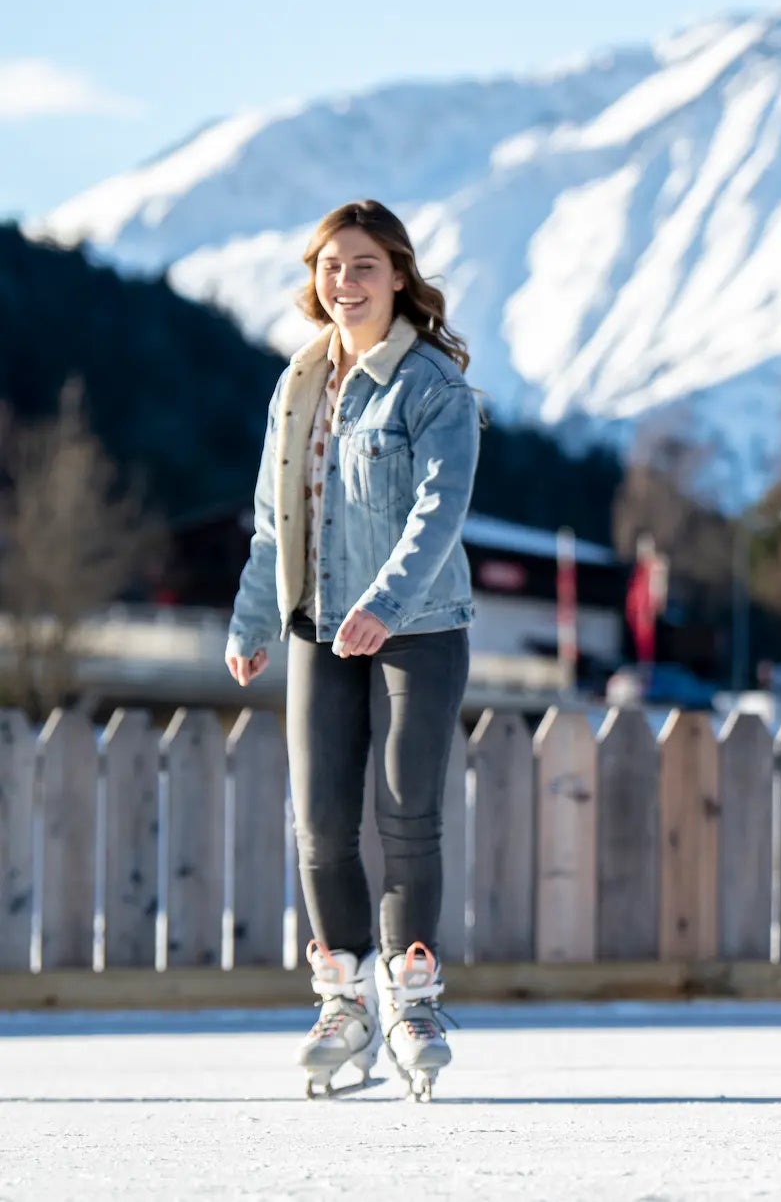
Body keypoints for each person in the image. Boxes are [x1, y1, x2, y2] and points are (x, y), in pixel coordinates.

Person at [224, 200, 480, 1100]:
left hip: (420, 628)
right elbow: (273, 521)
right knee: (321, 824)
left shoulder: (433, 387)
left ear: (399, 276)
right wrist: (254, 620)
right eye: (332, 265)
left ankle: (412, 1000)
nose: (346, 282)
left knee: (406, 813)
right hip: (314, 628)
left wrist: (383, 602)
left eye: (365, 265)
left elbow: (439, 513)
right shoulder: (298, 385)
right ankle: (345, 1001)